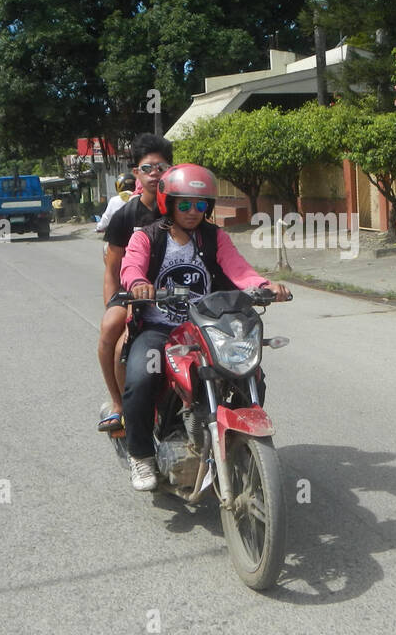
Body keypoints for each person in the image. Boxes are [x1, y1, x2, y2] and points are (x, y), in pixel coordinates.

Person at [118, 163, 290, 491]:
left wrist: (264, 285)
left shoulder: (215, 237)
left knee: (248, 372)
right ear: (168, 202)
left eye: (200, 205)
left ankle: (239, 444)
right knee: (140, 379)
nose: (193, 211)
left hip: (206, 327)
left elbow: (239, 271)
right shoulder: (147, 236)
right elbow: (131, 267)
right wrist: (139, 283)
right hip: (159, 328)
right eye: (184, 204)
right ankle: (140, 455)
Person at [97, 135, 172, 433]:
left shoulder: (183, 210)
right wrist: (116, 305)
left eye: (161, 167)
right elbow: (112, 268)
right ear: (137, 173)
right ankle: (119, 405)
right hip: (131, 293)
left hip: (175, 292)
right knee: (113, 330)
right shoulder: (125, 215)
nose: (155, 173)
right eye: (147, 168)